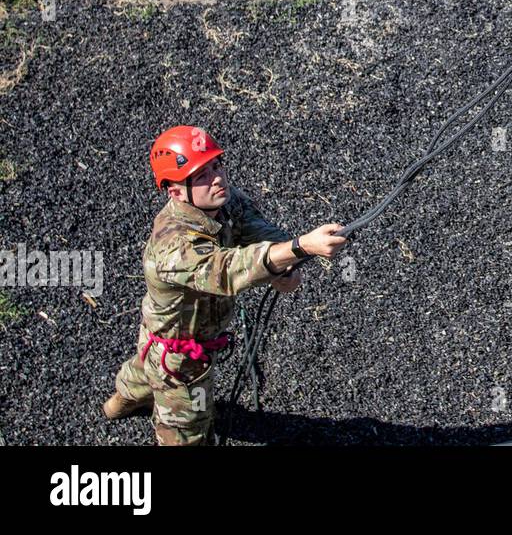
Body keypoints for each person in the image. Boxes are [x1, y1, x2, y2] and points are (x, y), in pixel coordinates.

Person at [102, 126, 348, 445]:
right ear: (176, 191)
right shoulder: (172, 246)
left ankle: (119, 404)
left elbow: (262, 234)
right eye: (202, 174)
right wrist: (299, 248)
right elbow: (226, 271)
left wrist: (286, 265)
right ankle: (127, 405)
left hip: (166, 340)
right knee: (188, 432)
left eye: (217, 166)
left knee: (139, 376)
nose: (217, 178)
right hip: (179, 360)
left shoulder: (225, 203)